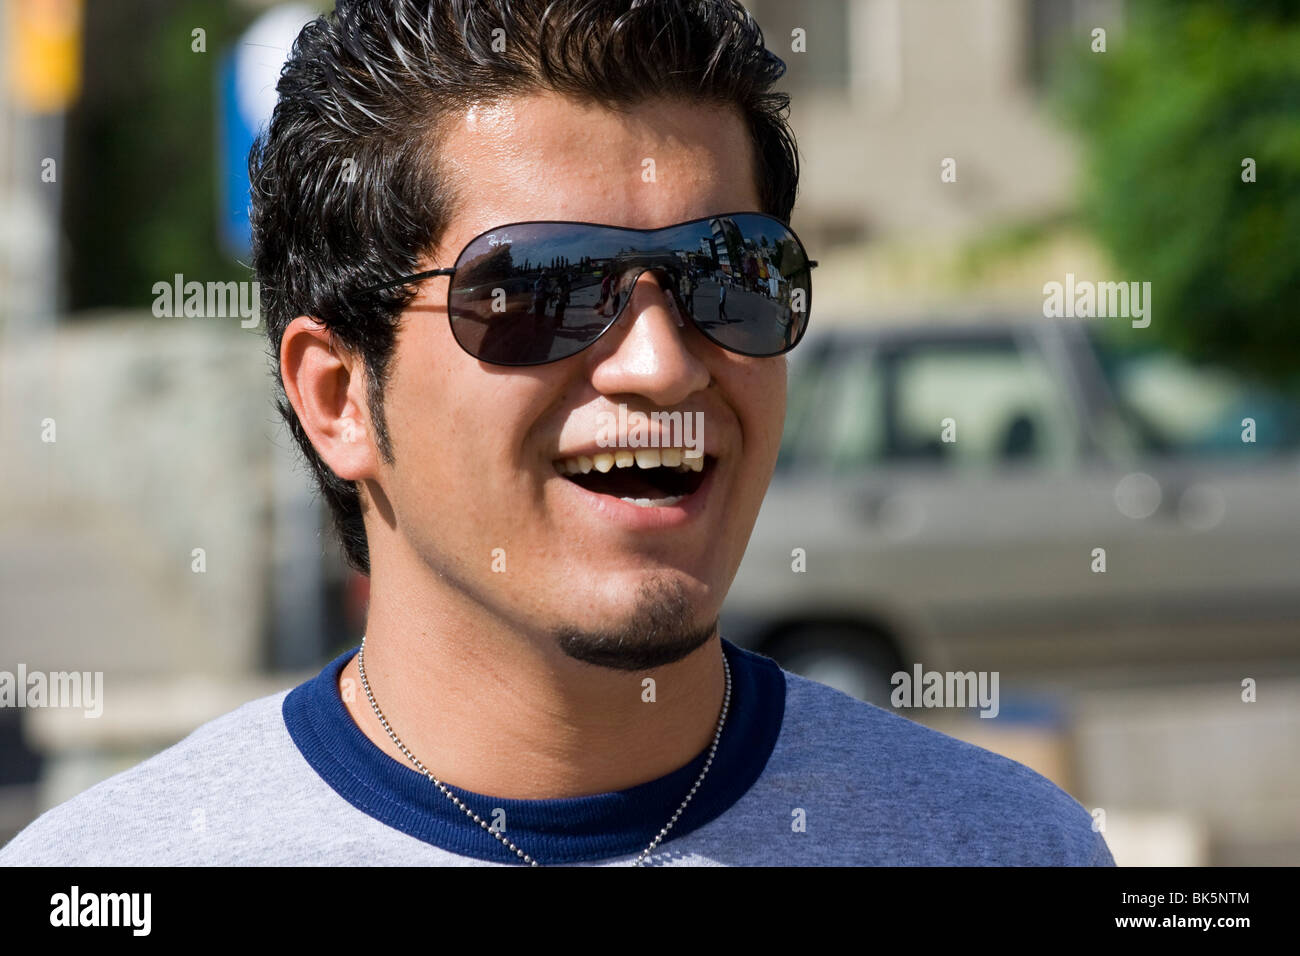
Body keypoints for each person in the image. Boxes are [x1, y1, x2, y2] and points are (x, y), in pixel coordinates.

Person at [0, 0, 1113, 867]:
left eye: (732, 276)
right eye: (540, 286)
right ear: (337, 396)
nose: (663, 359)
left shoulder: (1005, 846)